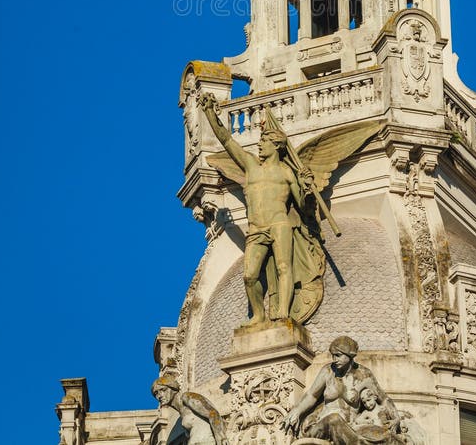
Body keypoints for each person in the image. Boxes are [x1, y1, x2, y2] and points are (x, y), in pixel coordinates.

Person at [199, 91, 315, 325]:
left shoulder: (286, 172)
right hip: (256, 228)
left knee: (284, 268)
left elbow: (302, 206)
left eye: (264, 142)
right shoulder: (251, 165)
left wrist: (308, 190)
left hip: (279, 223)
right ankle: (259, 315)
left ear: (277, 146)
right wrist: (210, 113)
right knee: (249, 275)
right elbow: (227, 140)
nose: (260, 146)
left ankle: (283, 312)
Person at [282, 336, 398, 444]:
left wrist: (396, 418)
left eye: (338, 355)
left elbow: (384, 399)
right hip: (322, 426)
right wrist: (297, 411)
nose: (334, 359)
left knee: (388, 436)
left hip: (351, 428)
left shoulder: (364, 374)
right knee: (334, 419)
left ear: (350, 355)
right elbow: (312, 395)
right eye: (333, 355)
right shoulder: (328, 371)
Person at [151, 375, 228, 445]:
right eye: (156, 393)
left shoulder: (187, 397)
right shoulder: (181, 412)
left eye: (163, 390)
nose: (159, 396)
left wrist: (221, 438)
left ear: (173, 388)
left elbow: (213, 413)